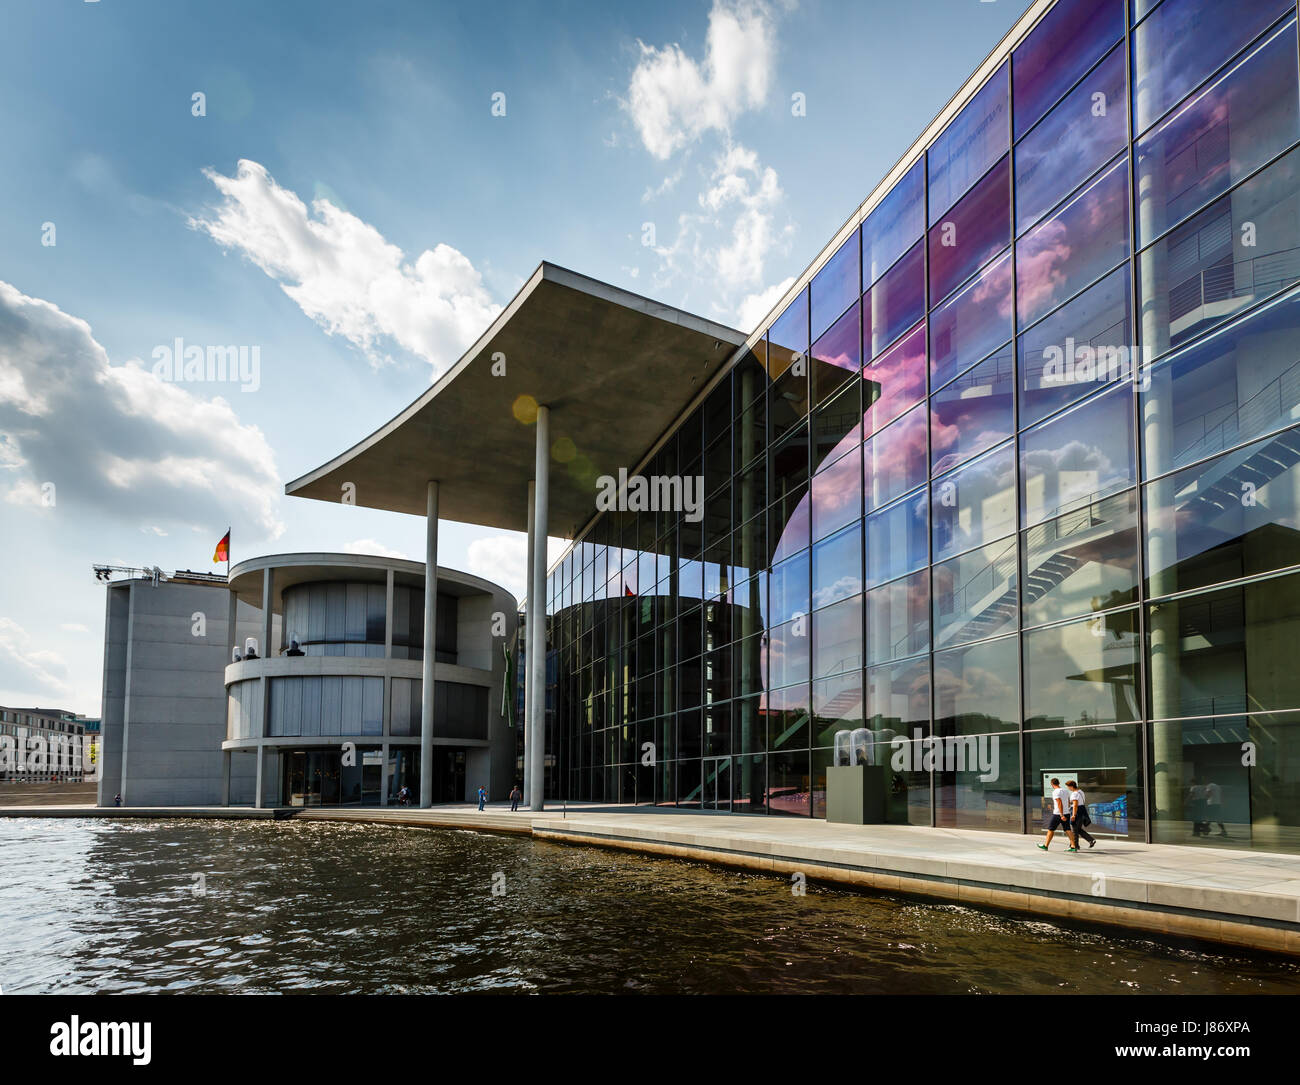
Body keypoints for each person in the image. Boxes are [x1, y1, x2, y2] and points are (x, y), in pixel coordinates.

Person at [1038, 777, 1078, 852]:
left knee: (1051, 829)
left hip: (1058, 814)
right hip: (1067, 813)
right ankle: (1073, 846)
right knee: (1067, 829)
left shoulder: (1055, 792)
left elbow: (1059, 803)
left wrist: (1061, 815)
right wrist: (1066, 811)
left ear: (1052, 784)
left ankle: (1046, 846)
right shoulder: (1065, 791)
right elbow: (1068, 802)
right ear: (1058, 783)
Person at [1066, 780, 1096, 849]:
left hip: (1077, 812)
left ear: (1071, 786)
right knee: (1078, 829)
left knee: (1074, 830)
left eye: (1068, 787)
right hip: (1082, 812)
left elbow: (1075, 805)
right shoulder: (1081, 792)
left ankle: (1075, 846)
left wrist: (1073, 815)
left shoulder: (1074, 794)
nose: (1068, 788)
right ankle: (1091, 840)